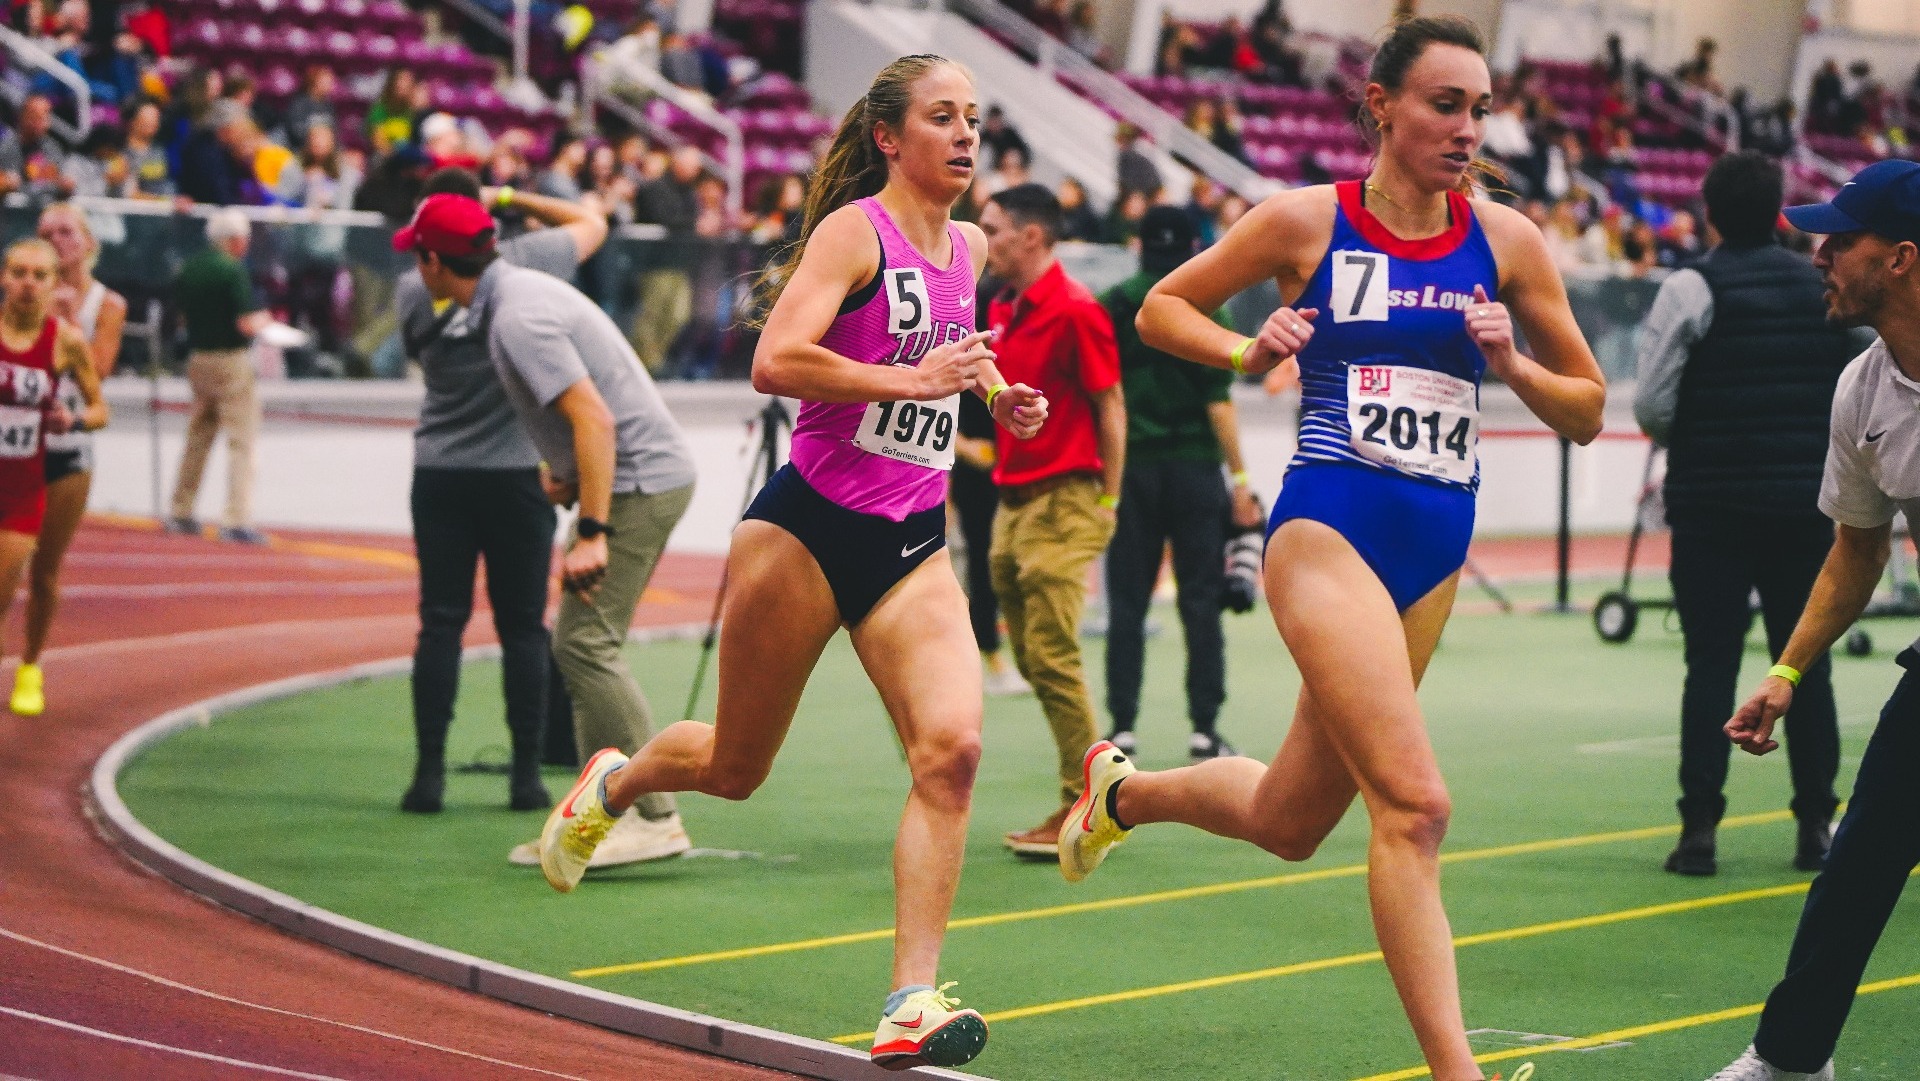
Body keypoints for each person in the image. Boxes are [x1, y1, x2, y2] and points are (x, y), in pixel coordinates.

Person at [1063, 18, 1605, 1081]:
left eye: (1481, 109)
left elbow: (1585, 406)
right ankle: (1461, 1073)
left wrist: (1514, 364)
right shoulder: (1306, 222)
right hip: (1326, 528)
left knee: (1293, 817)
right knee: (1417, 805)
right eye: (1445, 105)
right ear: (1383, 107)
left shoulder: (1508, 241)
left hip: (1434, 544)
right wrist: (1244, 344)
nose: (1467, 128)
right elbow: (1164, 309)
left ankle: (1121, 794)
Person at [533, 54, 1046, 1071]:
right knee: (736, 764)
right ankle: (615, 781)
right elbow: (777, 360)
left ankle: (910, 998)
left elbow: (952, 350)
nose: (965, 135)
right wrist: (914, 373)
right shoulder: (854, 232)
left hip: (909, 542)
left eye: (975, 118)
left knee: (954, 753)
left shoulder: (973, 244)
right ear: (891, 138)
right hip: (807, 529)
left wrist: (995, 390)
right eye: (942, 117)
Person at [400, 191, 701, 865]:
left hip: (639, 484)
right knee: (583, 647)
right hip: (635, 476)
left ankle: (654, 814)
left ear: (431, 261)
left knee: (585, 646)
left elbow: (594, 419)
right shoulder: (517, 295)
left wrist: (591, 526)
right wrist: (566, 475)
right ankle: (604, 813)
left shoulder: (518, 317)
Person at [1705, 159, 1920, 1081]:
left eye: (1840, 241)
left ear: (1903, 259)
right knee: (1861, 856)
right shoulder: (1864, 389)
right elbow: (1856, 550)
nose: (1818, 255)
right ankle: (1791, 1061)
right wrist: (1784, 673)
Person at [1632, 151, 1856, 878]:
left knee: (1709, 667)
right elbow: (1862, 378)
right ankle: (1816, 828)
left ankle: (1699, 832)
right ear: (1781, 211)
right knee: (1806, 666)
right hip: (1805, 507)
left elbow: (1652, 405)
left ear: (1710, 213)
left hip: (1710, 509)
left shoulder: (1691, 286)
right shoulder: (1822, 281)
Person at [395, 169, 610, 820]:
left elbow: (413, 347)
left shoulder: (414, 287)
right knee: (522, 627)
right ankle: (524, 775)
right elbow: (593, 222)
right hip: (517, 472)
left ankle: (428, 772)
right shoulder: (526, 266)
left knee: (440, 621)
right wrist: (513, 199)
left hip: (440, 472)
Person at [977, 182, 1126, 858]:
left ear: (1031, 236)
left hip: (1064, 500)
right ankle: (1088, 790)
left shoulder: (1075, 310)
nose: (985, 239)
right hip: (1012, 501)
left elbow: (1110, 406)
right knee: (1035, 654)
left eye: (994, 228)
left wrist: (1107, 501)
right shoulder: (1004, 309)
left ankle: (1087, 803)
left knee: (1055, 653)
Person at [1102, 205, 1261, 761]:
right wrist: (1240, 479)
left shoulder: (1114, 304)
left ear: (1138, 244)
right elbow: (1219, 402)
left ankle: (1121, 728)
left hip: (1132, 472)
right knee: (1200, 601)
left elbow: (1101, 394)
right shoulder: (1202, 306)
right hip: (1195, 470)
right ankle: (1203, 729)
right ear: (1194, 246)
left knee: (1127, 603)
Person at [10, 205, 122, 717]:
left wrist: (67, 319)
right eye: (45, 233)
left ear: (87, 240)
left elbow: (99, 370)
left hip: (66, 453)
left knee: (45, 572)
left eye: (65, 232)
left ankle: (31, 665)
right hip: (13, 453)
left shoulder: (106, 303)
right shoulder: (20, 293)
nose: (56, 239)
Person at [0, 239, 104, 703]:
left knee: (30, 579)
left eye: (38, 275)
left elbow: (100, 407)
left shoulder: (65, 341)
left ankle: (30, 668)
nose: (26, 284)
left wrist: (74, 418)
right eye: (18, 272)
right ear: (4, 276)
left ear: (53, 284)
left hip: (27, 485)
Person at [167, 209, 269, 544]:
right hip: (230, 358)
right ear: (235, 239)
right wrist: (264, 323)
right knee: (242, 440)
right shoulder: (232, 270)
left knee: (198, 436)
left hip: (198, 358)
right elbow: (244, 322)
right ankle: (236, 517)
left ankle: (181, 509)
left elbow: (181, 318)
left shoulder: (190, 268)